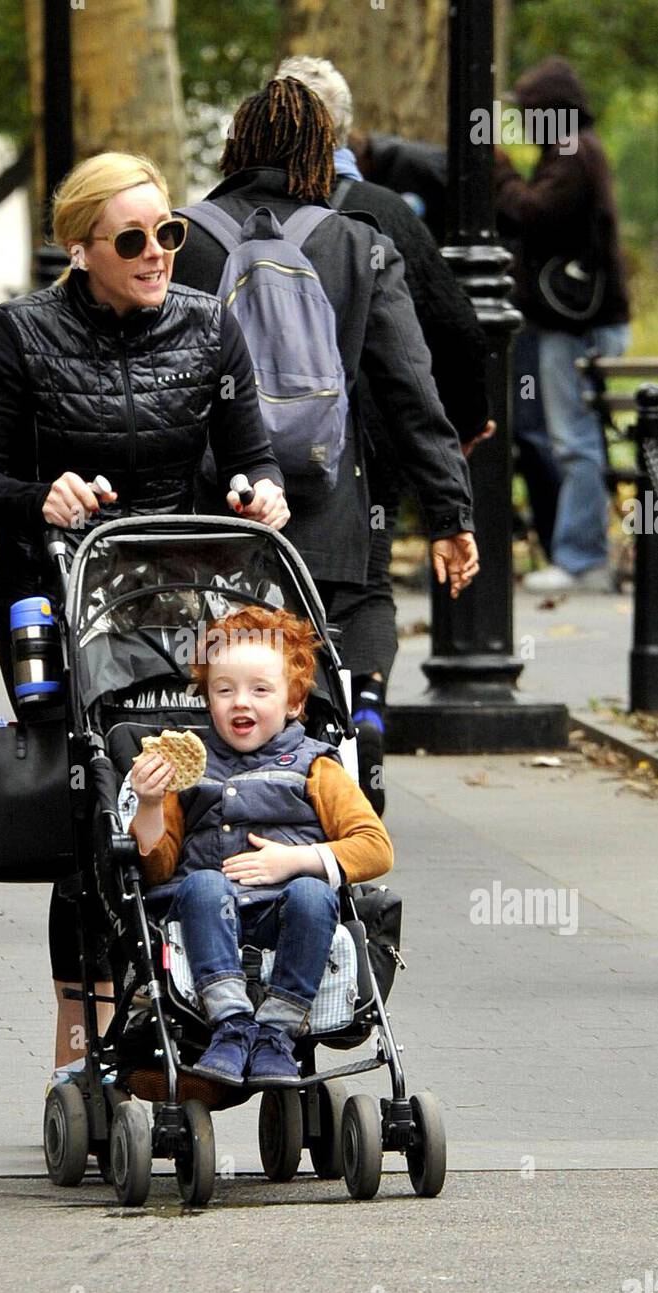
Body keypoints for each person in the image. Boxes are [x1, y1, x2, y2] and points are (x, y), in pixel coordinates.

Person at [0, 151, 290, 1068]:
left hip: (176, 597)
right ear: (80, 248)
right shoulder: (19, 334)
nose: (156, 253)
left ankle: (203, 994)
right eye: (131, 239)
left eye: (166, 232)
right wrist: (38, 496)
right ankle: (80, 1027)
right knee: (86, 797)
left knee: (180, 790)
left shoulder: (212, 328)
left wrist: (262, 491)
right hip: (50, 594)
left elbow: (254, 452)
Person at [171, 78, 479, 813]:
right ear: (321, 151)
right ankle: (340, 750)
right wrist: (449, 514)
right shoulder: (359, 244)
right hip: (328, 507)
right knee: (335, 631)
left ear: (234, 149)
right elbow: (410, 388)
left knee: (221, 670)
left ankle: (214, 815)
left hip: (208, 511)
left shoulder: (178, 240)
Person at [274, 56, 492, 807]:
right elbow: (458, 331)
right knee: (363, 585)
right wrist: (465, 427)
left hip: (256, 446)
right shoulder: (383, 211)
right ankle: (362, 702)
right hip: (366, 438)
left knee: (272, 584)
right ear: (340, 129)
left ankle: (284, 733)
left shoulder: (219, 215)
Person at [129, 606, 394, 1086]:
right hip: (205, 917)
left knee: (314, 892)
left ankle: (277, 1030)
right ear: (208, 699)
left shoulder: (316, 767)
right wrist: (148, 805)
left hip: (287, 918)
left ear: (294, 701)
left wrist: (294, 861)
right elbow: (156, 868)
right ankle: (231, 1024)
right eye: (224, 689)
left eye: (259, 690)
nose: (239, 702)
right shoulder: (187, 772)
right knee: (205, 883)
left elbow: (376, 848)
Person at [495, 58, 631, 593]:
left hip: (576, 324)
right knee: (576, 438)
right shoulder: (573, 150)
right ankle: (581, 556)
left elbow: (534, 213)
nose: (524, 123)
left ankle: (580, 560)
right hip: (578, 320)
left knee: (573, 441)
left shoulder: (572, 152)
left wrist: (499, 172)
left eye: (528, 113)